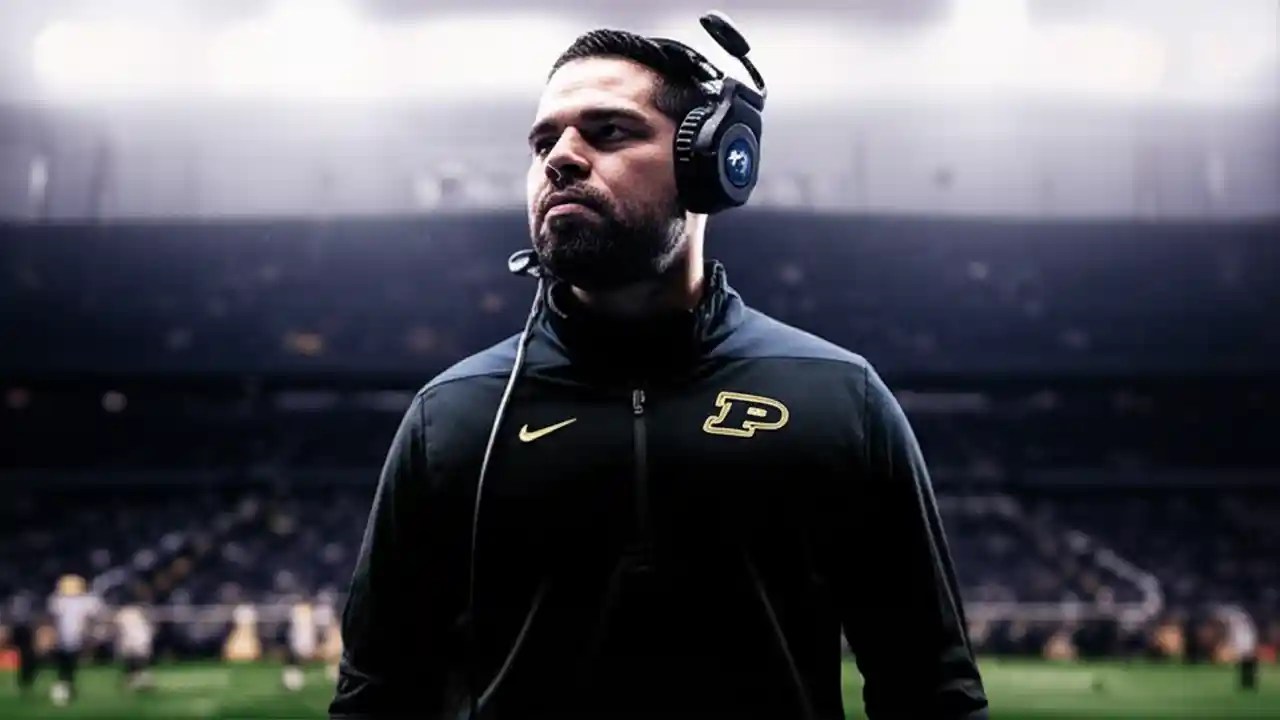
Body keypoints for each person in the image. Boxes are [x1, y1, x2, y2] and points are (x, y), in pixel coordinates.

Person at [330, 20, 987, 720]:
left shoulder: (840, 399)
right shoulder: (452, 416)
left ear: (711, 160)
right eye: (543, 141)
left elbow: (929, 690)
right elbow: (379, 694)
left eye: (608, 131)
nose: (562, 158)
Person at [47, 574, 103, 705]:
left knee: (67, 665)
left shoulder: (61, 600)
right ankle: (66, 686)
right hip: (68, 638)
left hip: (74, 638)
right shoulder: (60, 601)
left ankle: (66, 686)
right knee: (67, 665)